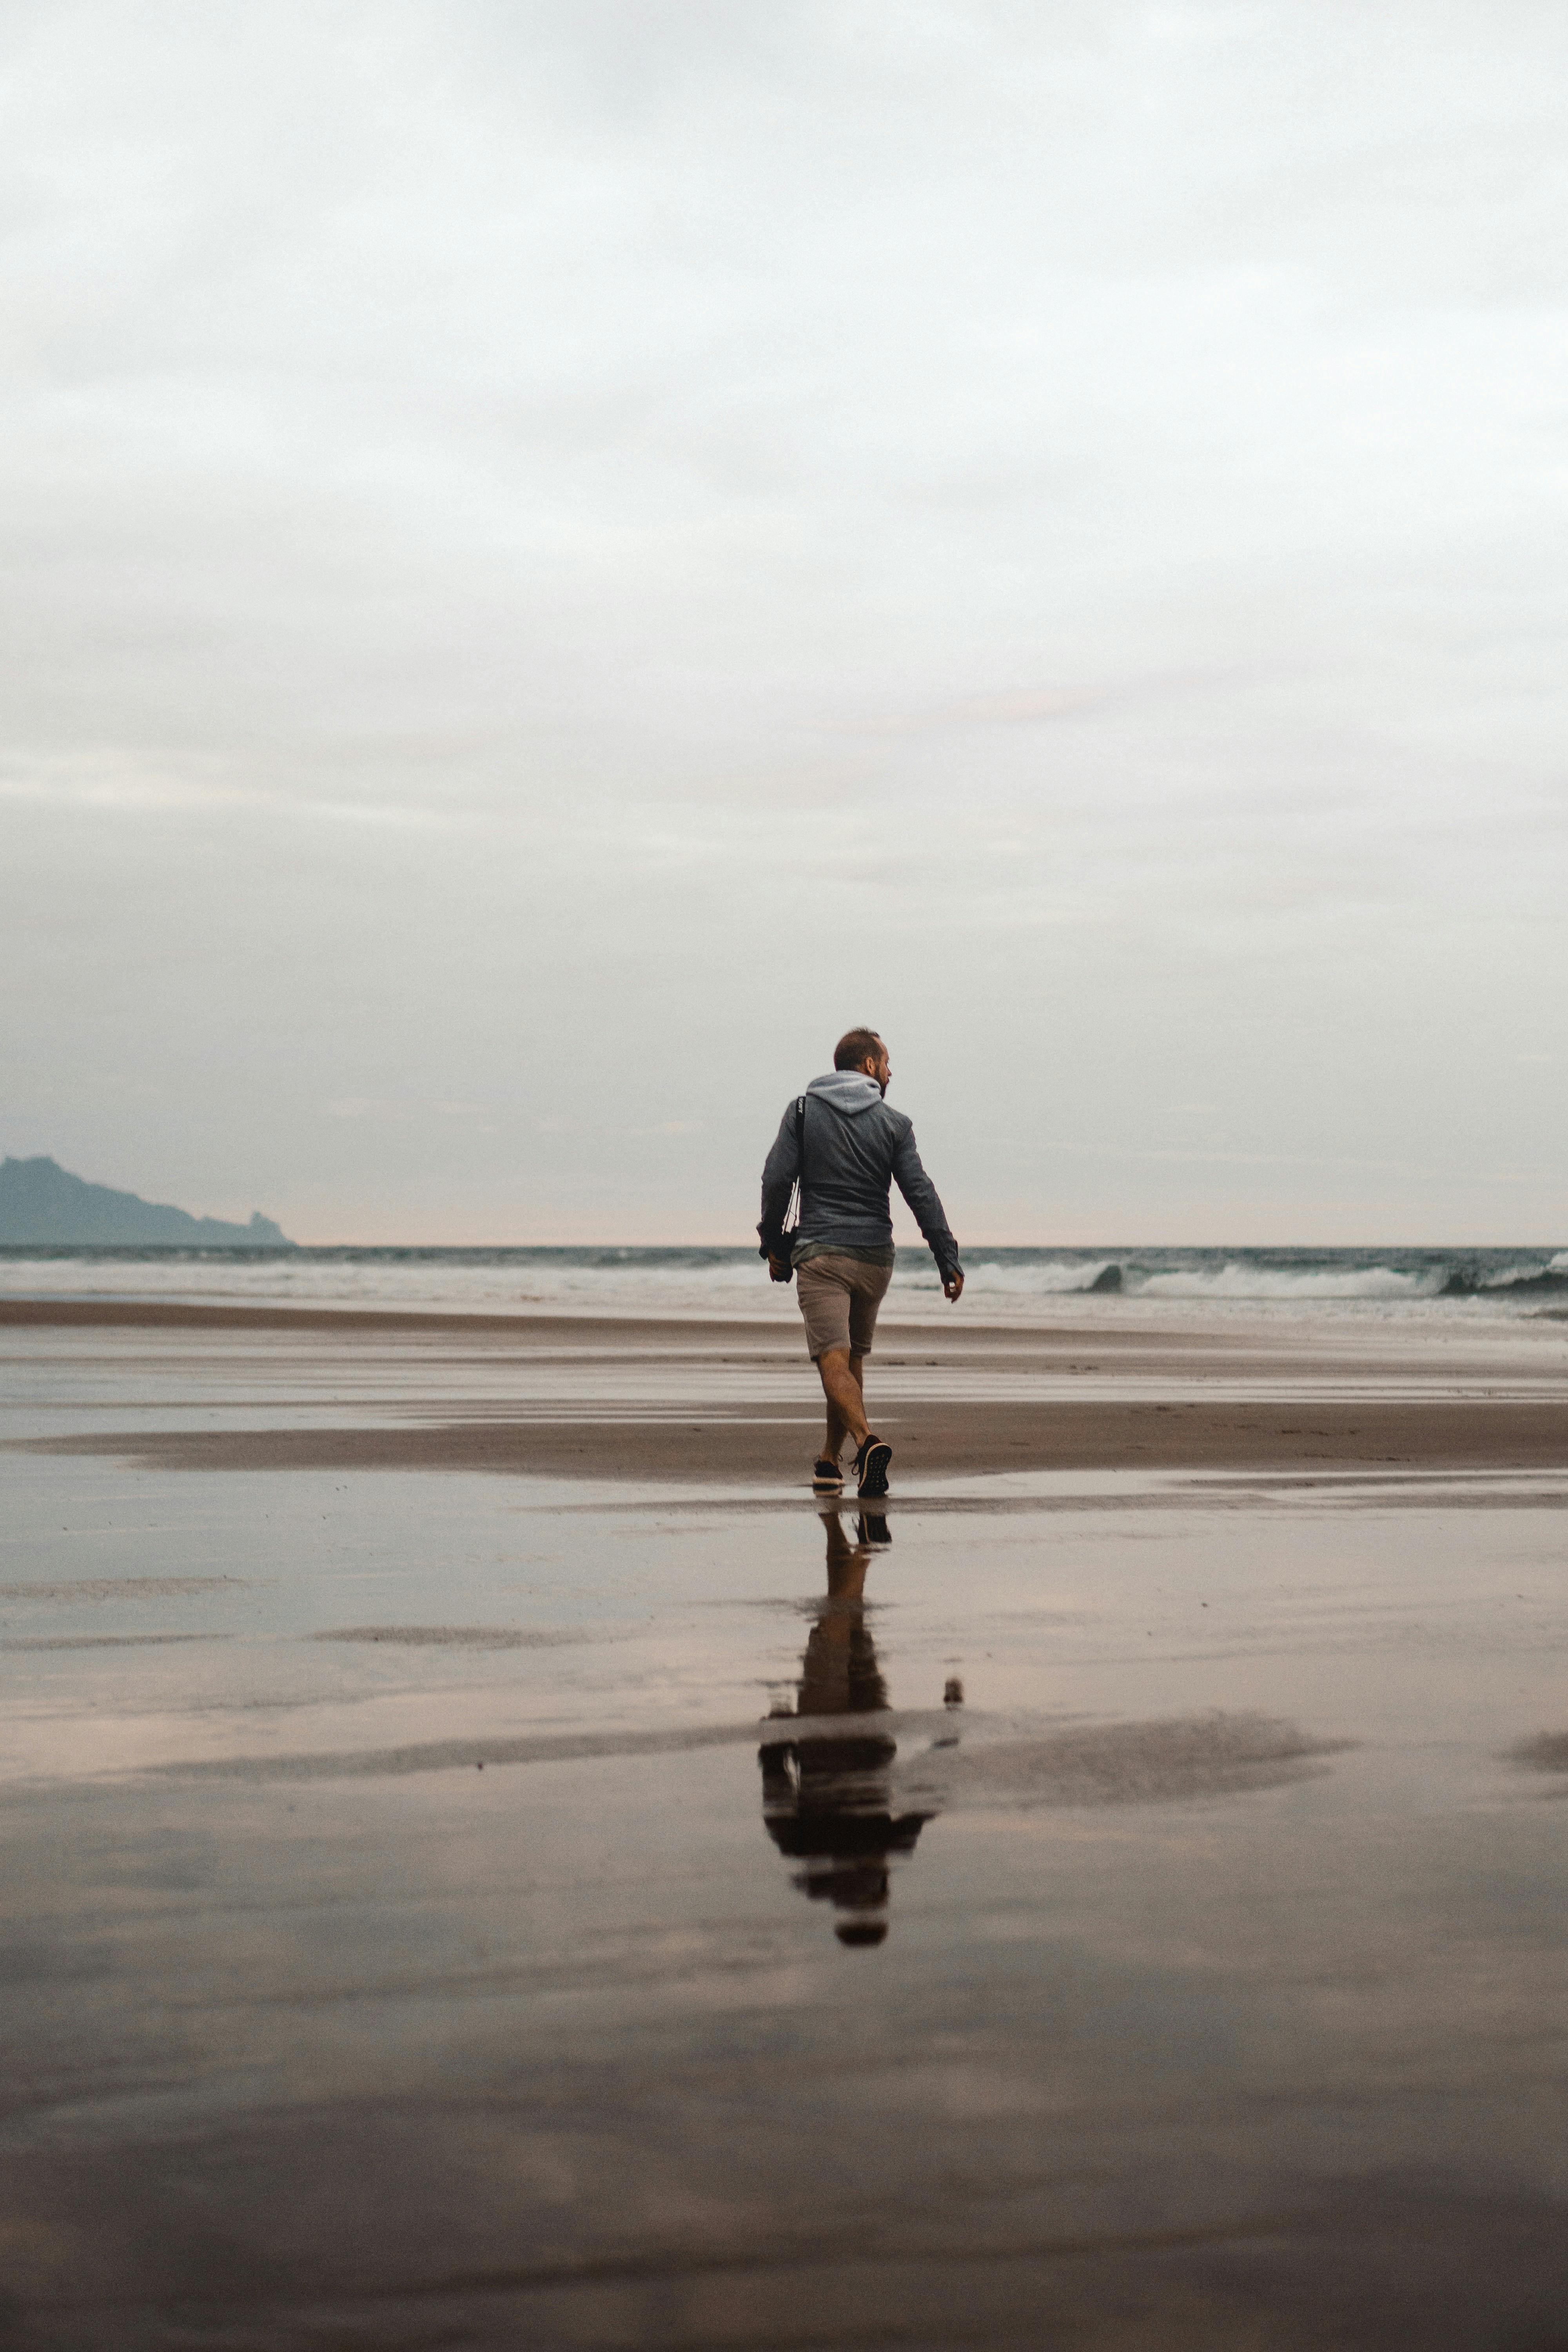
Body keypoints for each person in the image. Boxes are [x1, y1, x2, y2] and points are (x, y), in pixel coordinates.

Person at [758, 1027, 962, 1497]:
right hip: (875, 1260)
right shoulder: (894, 1124)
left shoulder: (804, 1112)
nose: (891, 1072)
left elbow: (776, 1179)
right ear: (869, 1066)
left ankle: (867, 1441)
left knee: (832, 1359)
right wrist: (945, 1255)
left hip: (823, 1256)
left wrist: (772, 1242)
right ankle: (830, 1462)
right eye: (887, 1063)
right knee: (849, 1359)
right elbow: (920, 1194)